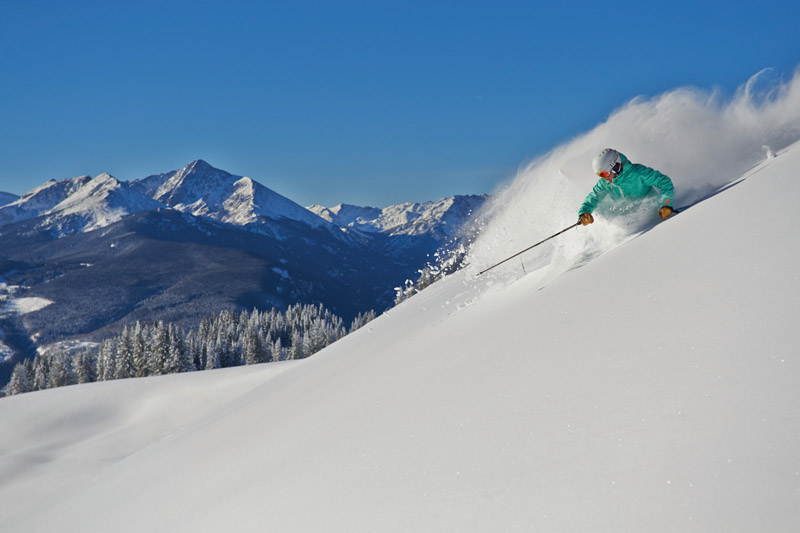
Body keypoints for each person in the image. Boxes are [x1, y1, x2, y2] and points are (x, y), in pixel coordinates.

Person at [578, 148, 675, 225]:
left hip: (655, 215)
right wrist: (584, 213)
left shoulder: (637, 173)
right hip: (629, 221)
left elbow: (664, 182)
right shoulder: (605, 183)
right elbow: (593, 197)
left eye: (603, 174)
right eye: (599, 175)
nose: (603, 178)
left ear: (614, 167)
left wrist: (666, 204)